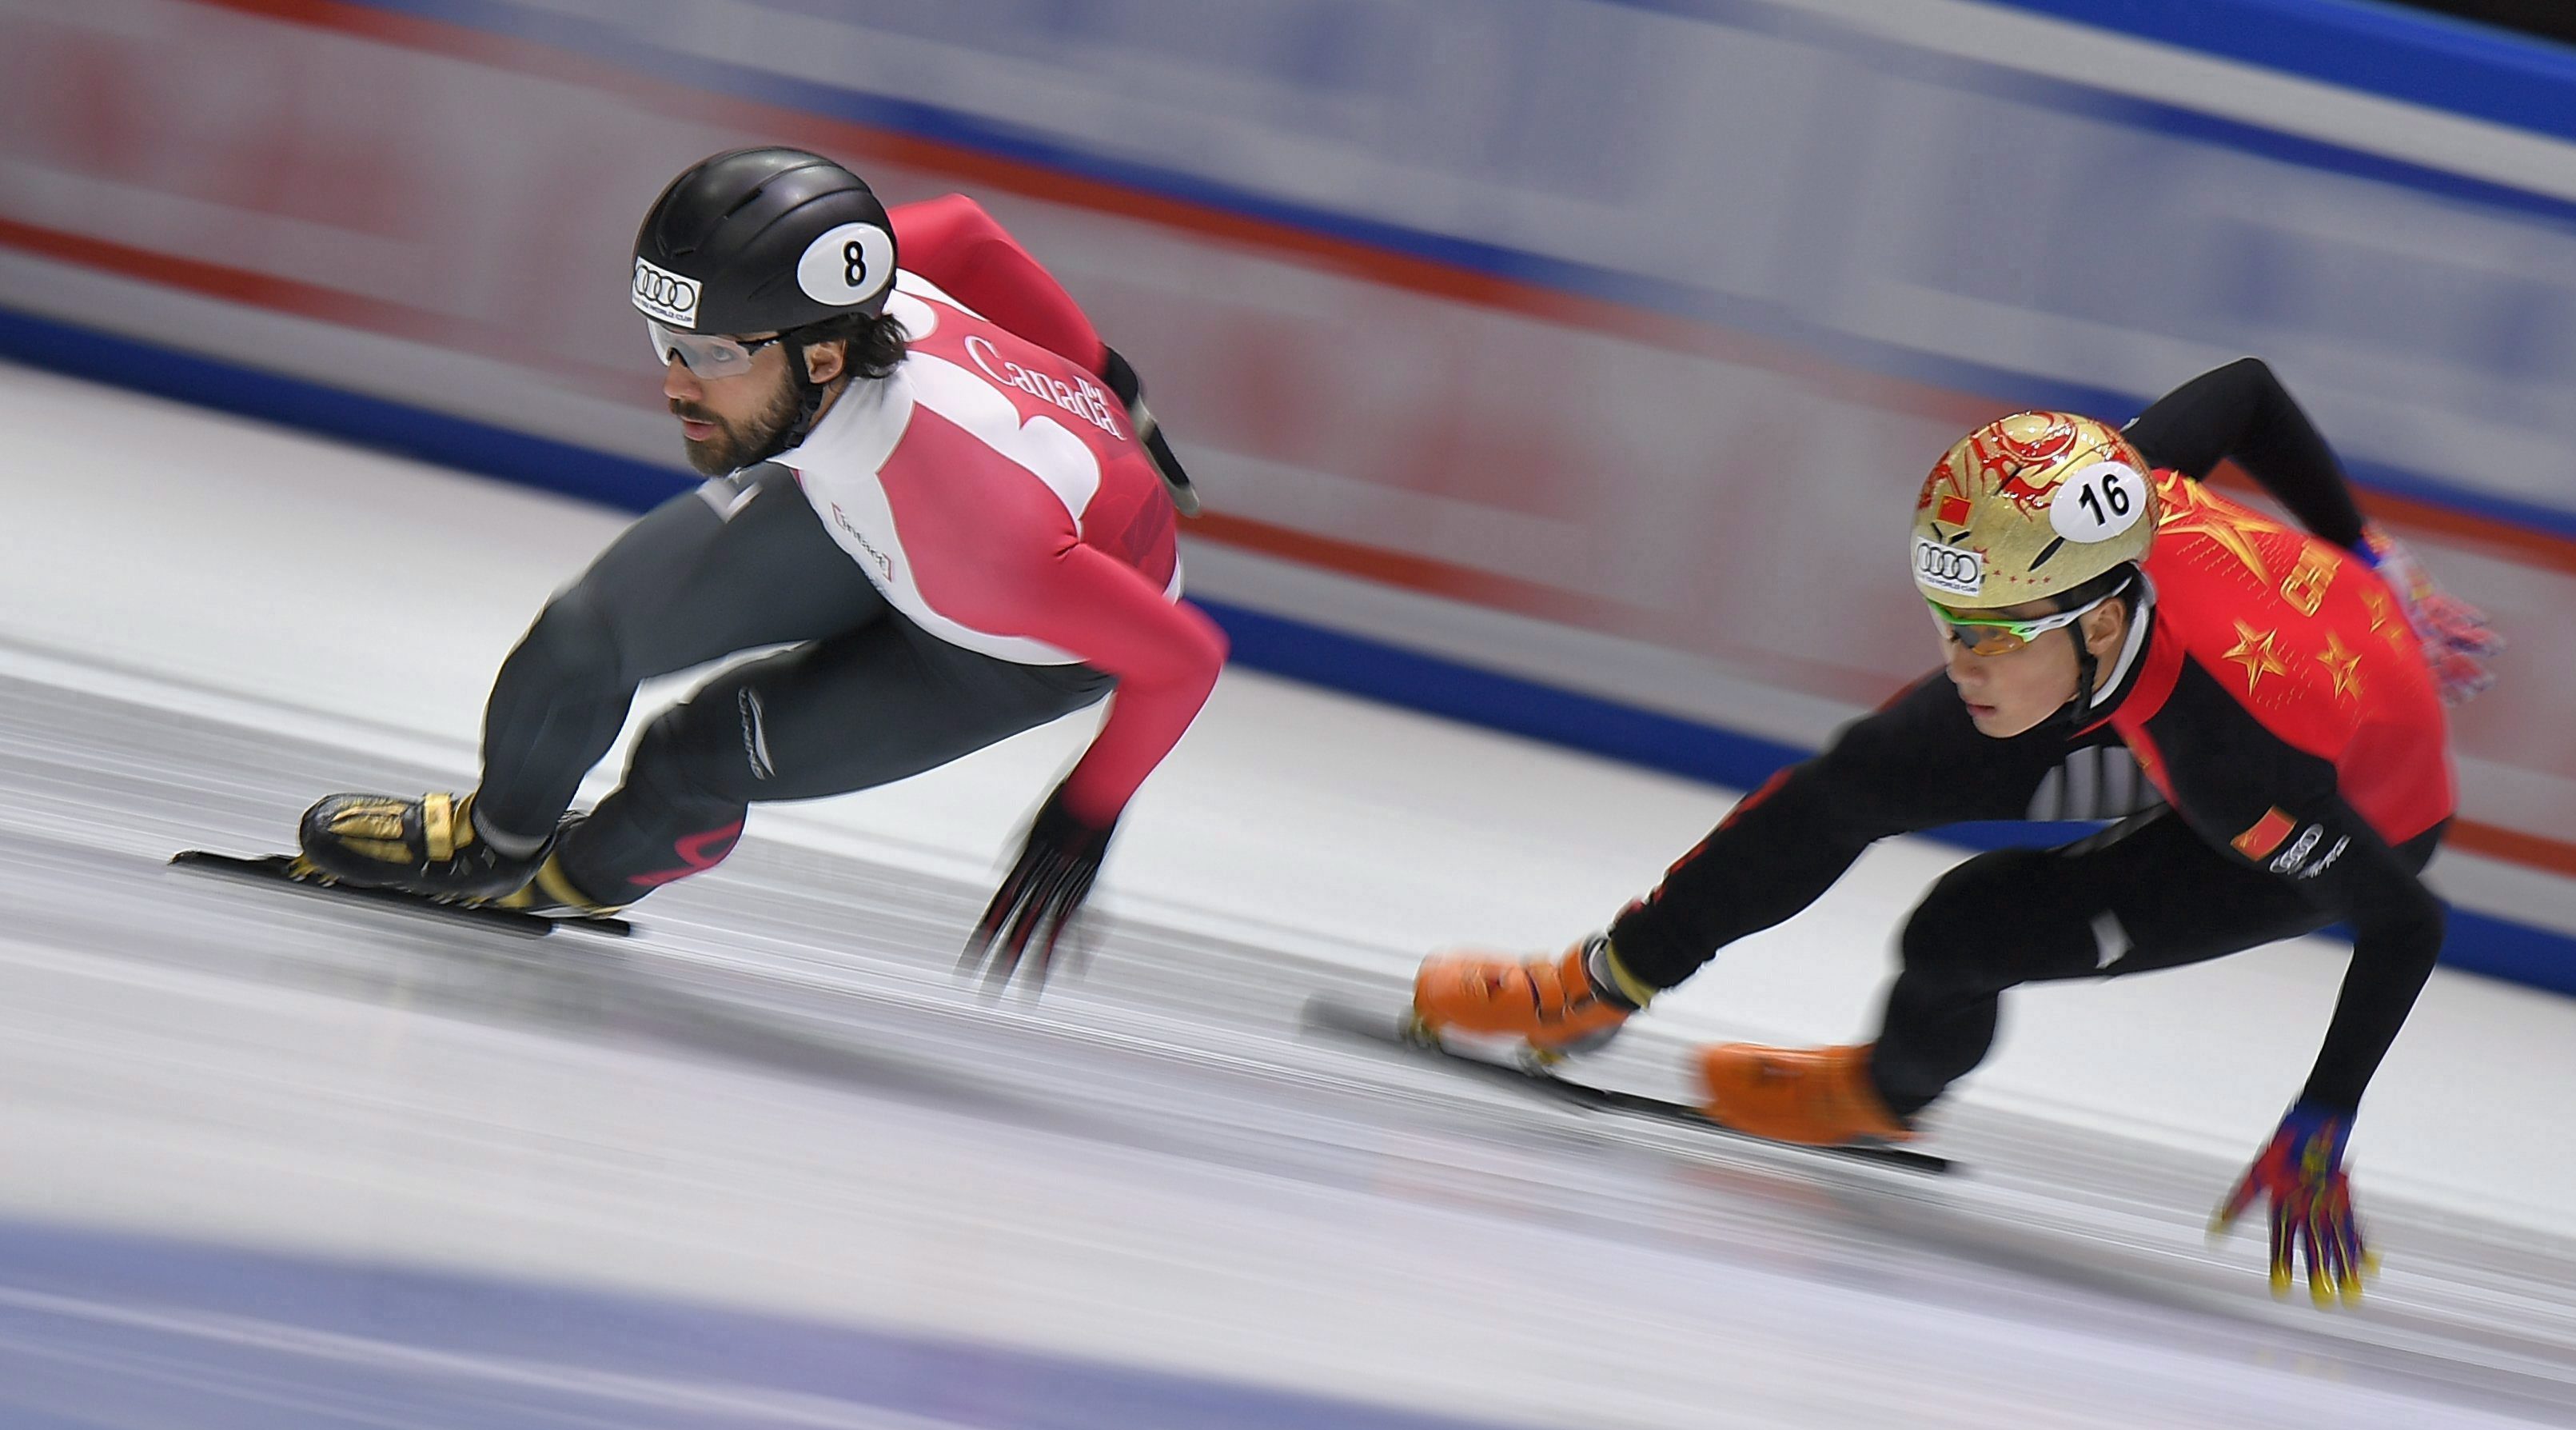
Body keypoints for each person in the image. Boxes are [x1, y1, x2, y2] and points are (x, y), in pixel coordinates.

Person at [1412, 359, 2501, 1304]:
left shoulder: (2233, 770)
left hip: (2343, 809)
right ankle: (1606, 980)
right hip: (2141, 686)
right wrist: (2362, 546)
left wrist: (2320, 1119)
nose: (1959, 662)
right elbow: (2244, 392)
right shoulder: (2091, 503)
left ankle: (1884, 1093)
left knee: (1962, 931)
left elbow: (2404, 922)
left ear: (2101, 617)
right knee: (1860, 776)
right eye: (1946, 623)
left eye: (1986, 634)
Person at [293, 146, 1226, 984]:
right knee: (590, 632)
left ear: (823, 356)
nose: (673, 385)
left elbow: (1183, 657)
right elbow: (968, 235)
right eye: (666, 344)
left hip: (1007, 635)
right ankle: (493, 842)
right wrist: (1104, 370)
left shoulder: (990, 545)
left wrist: (1086, 809)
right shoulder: (837, 297)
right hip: (885, 501)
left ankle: (577, 878)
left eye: (707, 355)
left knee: (691, 758)